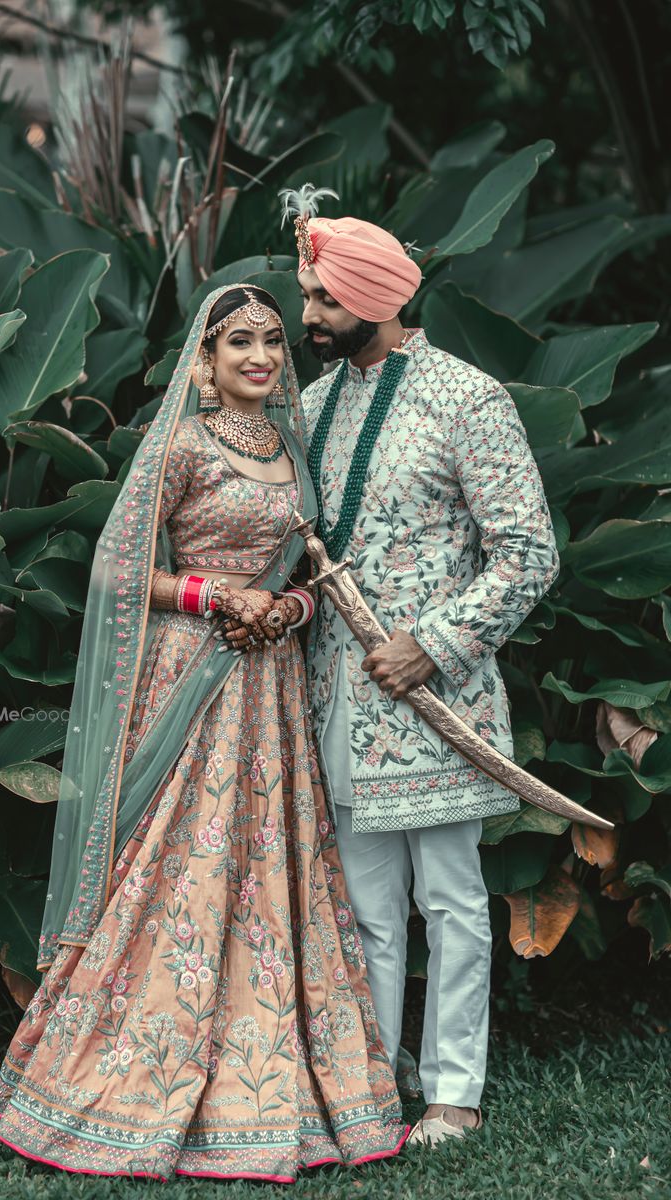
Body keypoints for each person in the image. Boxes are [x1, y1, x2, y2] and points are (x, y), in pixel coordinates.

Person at [0, 285, 407, 1181]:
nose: (261, 356)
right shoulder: (182, 444)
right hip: (193, 671)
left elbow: (308, 572)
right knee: (175, 850)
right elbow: (119, 569)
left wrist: (287, 609)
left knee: (268, 855)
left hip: (271, 679)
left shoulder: (293, 449)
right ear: (206, 362)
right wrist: (215, 596)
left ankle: (270, 1070)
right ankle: (116, 1068)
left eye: (272, 341)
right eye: (238, 343)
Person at [282, 187, 560, 1145]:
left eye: (324, 299)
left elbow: (528, 553)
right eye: (308, 297)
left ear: (376, 297)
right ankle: (372, 1083)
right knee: (363, 908)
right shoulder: (311, 406)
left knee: (450, 903)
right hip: (334, 697)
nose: (309, 317)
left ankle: (452, 1092)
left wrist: (433, 643)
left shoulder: (467, 399)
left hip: (435, 702)